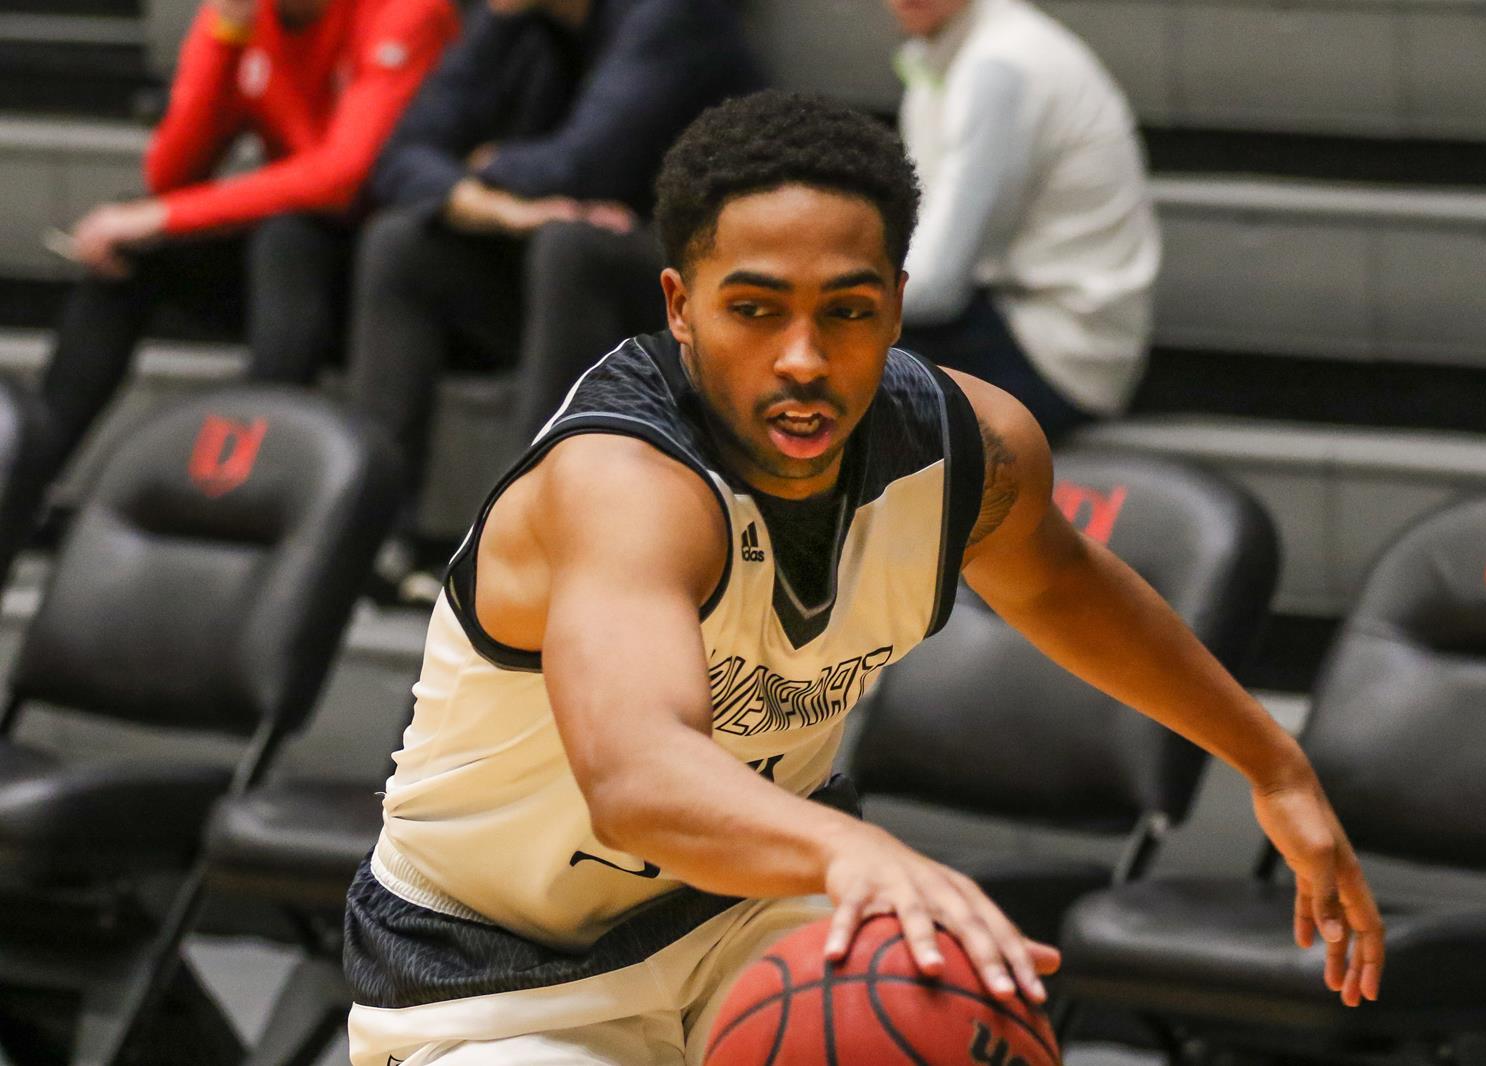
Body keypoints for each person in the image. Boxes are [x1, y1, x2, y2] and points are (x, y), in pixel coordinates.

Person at [342, 91, 1384, 1066]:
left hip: (744, 909)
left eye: (844, 311)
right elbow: (638, 778)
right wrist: (851, 851)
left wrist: (1271, 762)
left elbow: (1063, 586)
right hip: (493, 960)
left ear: (894, 304)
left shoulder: (968, 447)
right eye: (755, 309)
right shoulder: (625, 483)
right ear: (681, 306)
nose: (802, 356)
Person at [32, 0, 458, 519]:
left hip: (409, 280)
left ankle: (244, 504)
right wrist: (224, 37)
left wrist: (163, 216)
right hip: (298, 265)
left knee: (287, 238)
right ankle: (19, 486)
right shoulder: (238, 16)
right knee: (130, 250)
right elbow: (171, 175)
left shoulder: (405, 12)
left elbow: (342, 178)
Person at [346, 0, 763, 527]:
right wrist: (488, 205)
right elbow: (398, 156)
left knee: (571, 245)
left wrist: (483, 164)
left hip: (701, 297)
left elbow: (584, 166)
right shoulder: (513, 22)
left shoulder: (676, 15)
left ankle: (524, 532)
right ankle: (371, 538)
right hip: (564, 284)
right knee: (402, 244)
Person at [887, 0, 1161, 439]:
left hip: (1058, 362)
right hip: (1015, 318)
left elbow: (938, 286)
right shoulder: (950, 50)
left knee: (833, 362)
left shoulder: (997, 66)